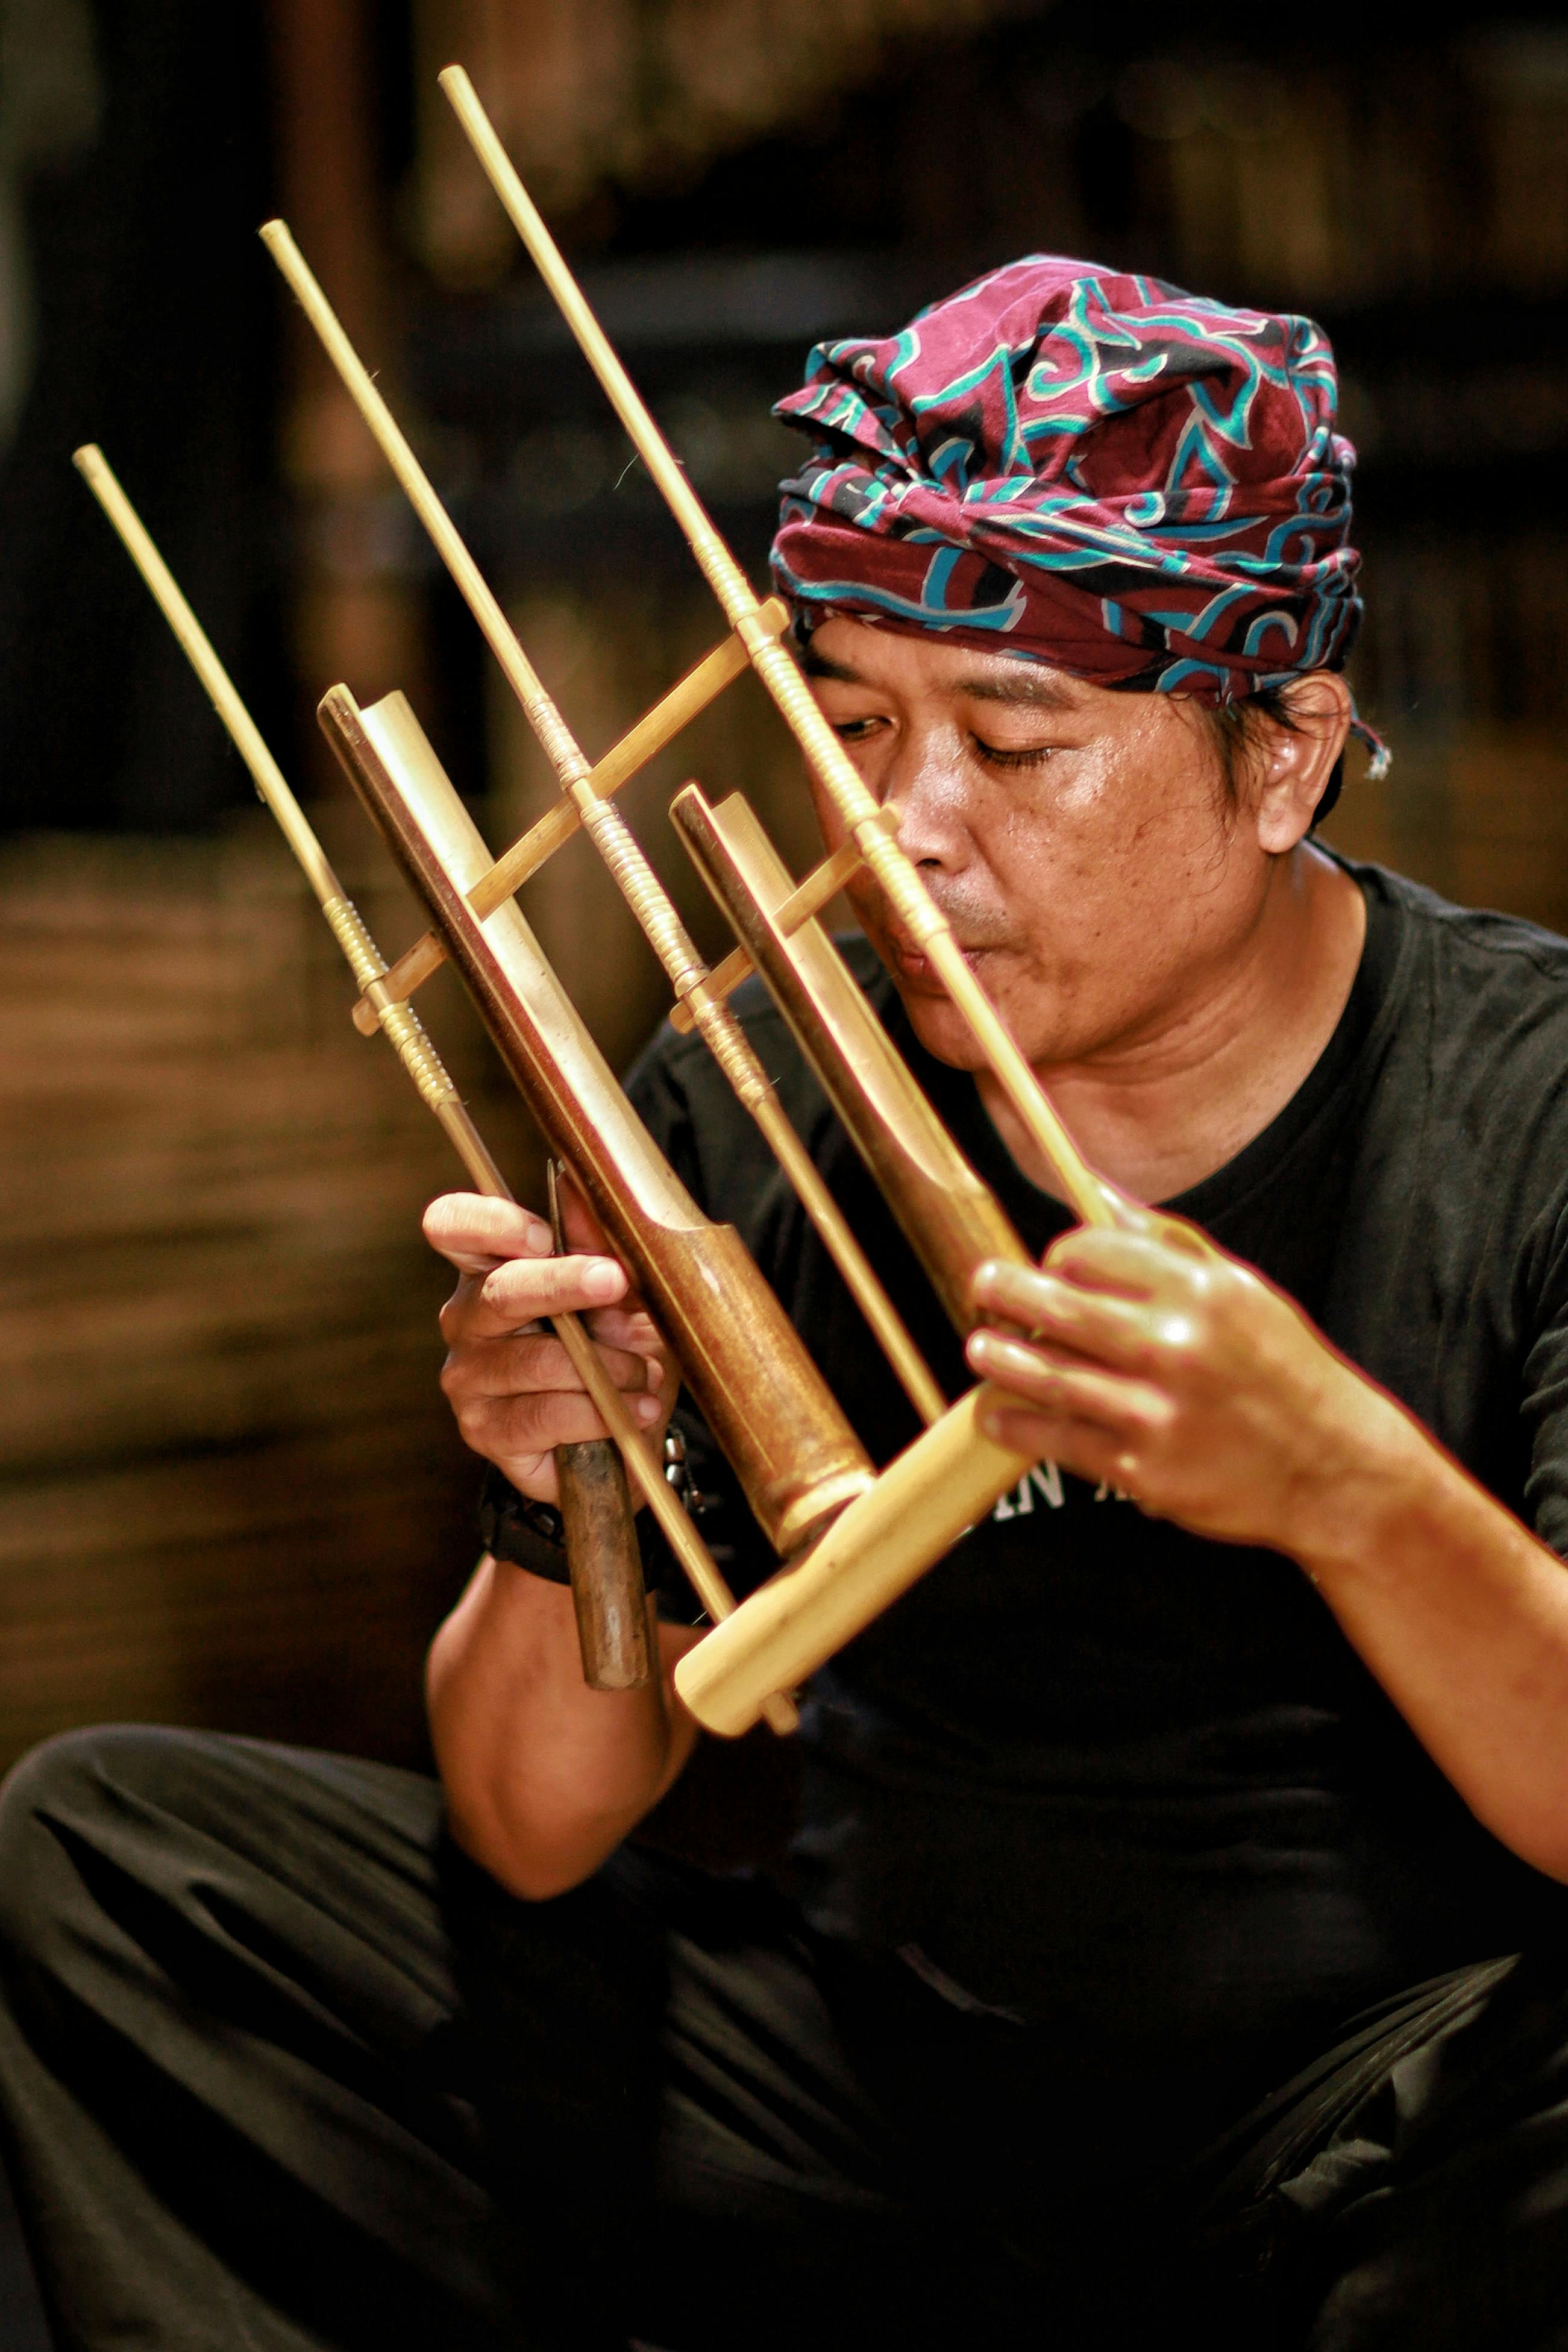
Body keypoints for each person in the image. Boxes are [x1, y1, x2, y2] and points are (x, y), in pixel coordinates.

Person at [5, 257, 1568, 2352]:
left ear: (1280, 756)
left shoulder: (1528, 1100)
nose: (902, 829)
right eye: (849, 726)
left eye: (1012, 741)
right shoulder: (744, 1093)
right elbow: (533, 1831)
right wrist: (575, 1472)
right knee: (113, 1863)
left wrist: (1348, 1488)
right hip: (878, 2117)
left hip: (1396, 2145)